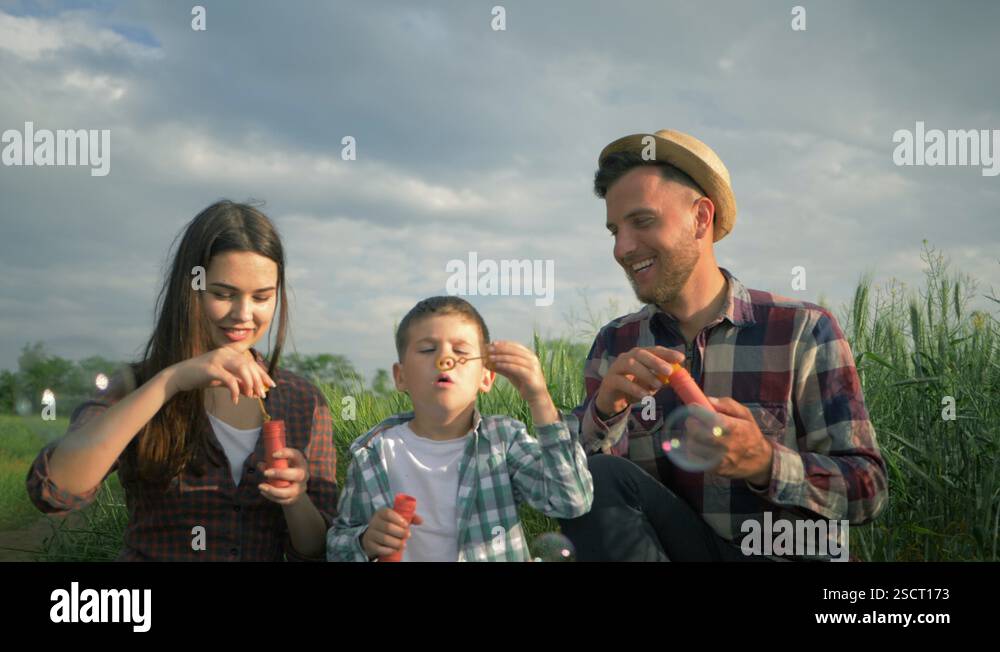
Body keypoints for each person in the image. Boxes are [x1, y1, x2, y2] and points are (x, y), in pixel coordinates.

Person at [560, 129, 889, 561]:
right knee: (600, 476)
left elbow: (868, 490)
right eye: (614, 231)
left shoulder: (803, 331)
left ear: (701, 218)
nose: (622, 248)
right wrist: (603, 414)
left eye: (642, 222)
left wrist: (766, 463)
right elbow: (570, 489)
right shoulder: (615, 344)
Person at [26, 200, 338, 561]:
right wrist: (171, 381)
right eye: (223, 294)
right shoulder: (137, 383)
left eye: (262, 297)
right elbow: (55, 490)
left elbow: (315, 549)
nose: (243, 314)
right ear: (190, 288)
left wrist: (295, 498)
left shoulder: (301, 401)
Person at [327, 296, 592, 562]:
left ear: (486, 377)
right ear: (401, 376)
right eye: (428, 349)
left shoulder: (503, 441)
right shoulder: (373, 453)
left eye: (461, 351)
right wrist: (364, 541)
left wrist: (540, 399)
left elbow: (570, 500)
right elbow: (337, 546)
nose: (445, 358)